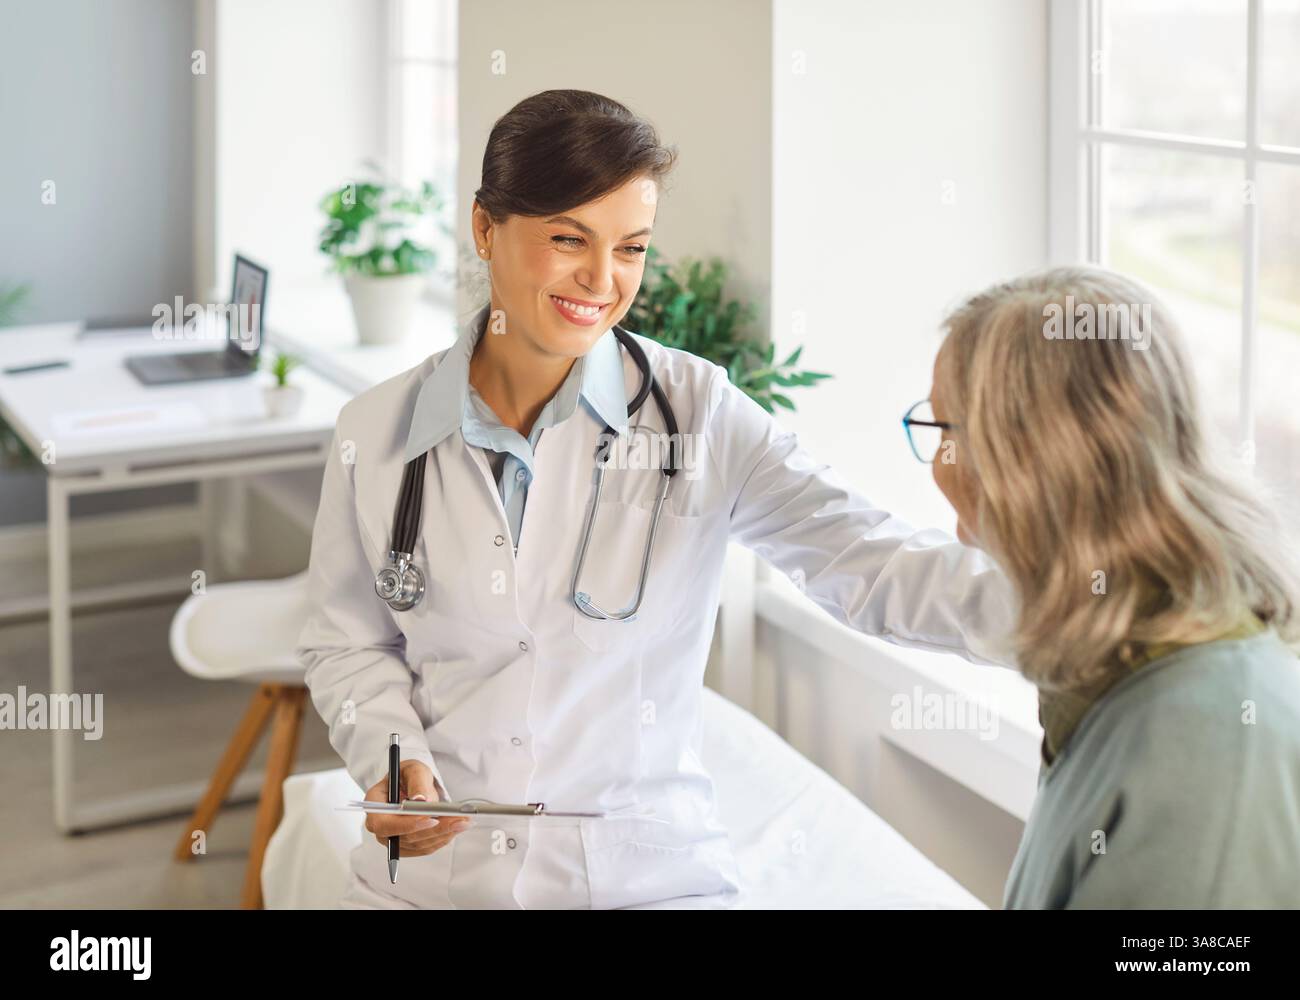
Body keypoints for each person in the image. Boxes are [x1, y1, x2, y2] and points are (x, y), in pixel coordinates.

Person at [297, 89, 1013, 909]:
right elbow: (348, 645)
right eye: (568, 239)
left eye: (630, 249)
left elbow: (869, 561)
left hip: (644, 880)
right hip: (432, 884)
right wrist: (394, 766)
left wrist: (1093, 604)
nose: (602, 282)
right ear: (485, 228)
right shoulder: (378, 431)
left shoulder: (698, 413)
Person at [914, 265, 1300, 908]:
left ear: (1022, 465)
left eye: (941, 431)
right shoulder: (1124, 661)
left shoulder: (1211, 746)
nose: (935, 463)